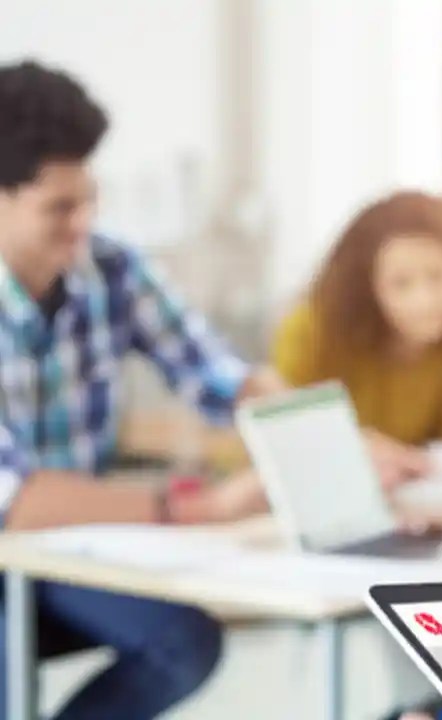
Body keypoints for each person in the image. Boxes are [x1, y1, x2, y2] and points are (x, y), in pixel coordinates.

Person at [0, 60, 285, 718]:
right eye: (59, 207)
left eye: (89, 199)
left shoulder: (113, 269)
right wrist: (197, 506)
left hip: (74, 557)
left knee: (182, 641)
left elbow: (221, 376)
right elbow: (14, 501)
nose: (82, 223)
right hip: (15, 544)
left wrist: (322, 438)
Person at [271, 191, 442, 485]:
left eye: (437, 277)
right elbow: (284, 433)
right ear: (366, 287)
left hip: (414, 498)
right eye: (401, 284)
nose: (425, 301)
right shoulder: (312, 331)